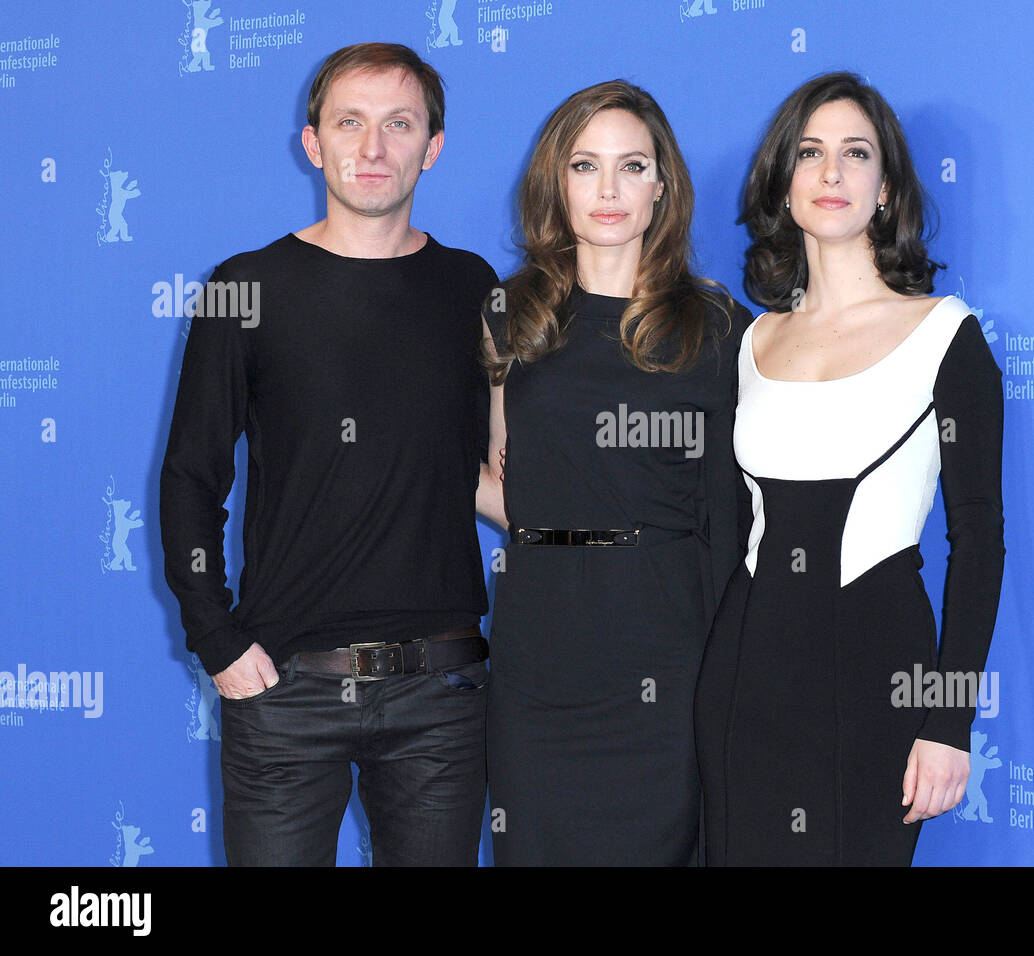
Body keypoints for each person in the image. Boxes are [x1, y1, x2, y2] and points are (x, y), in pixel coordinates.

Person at [159, 42, 497, 866]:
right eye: (351, 122)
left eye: (399, 124)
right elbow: (191, 477)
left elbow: (503, 475)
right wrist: (217, 642)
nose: (373, 148)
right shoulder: (244, 288)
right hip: (286, 686)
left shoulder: (472, 288)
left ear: (434, 146)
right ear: (314, 142)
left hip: (441, 691)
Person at [694, 72, 1005, 866]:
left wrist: (948, 722)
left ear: (886, 187)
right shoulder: (749, 342)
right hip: (744, 681)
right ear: (784, 184)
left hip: (878, 679)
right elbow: (726, 534)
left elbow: (980, 543)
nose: (831, 174)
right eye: (810, 153)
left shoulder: (946, 336)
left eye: (855, 154)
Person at [476, 80, 751, 865]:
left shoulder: (717, 325)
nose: (607, 190)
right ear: (554, 183)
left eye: (631, 167)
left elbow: (744, 506)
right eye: (584, 166)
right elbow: (504, 483)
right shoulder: (510, 314)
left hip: (669, 653)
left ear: (662, 186)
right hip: (540, 655)